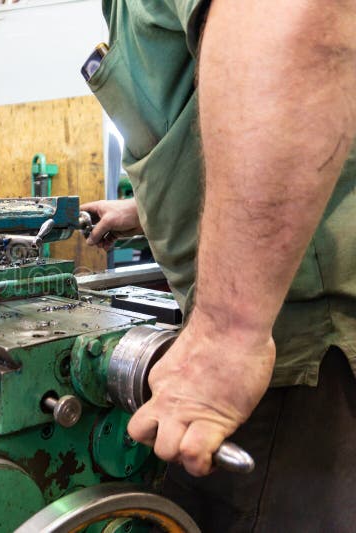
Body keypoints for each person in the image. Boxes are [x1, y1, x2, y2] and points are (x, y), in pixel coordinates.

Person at [81, 1, 356, 531]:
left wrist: (229, 331)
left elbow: (290, 18)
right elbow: (206, 122)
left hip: (304, 364)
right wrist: (148, 208)